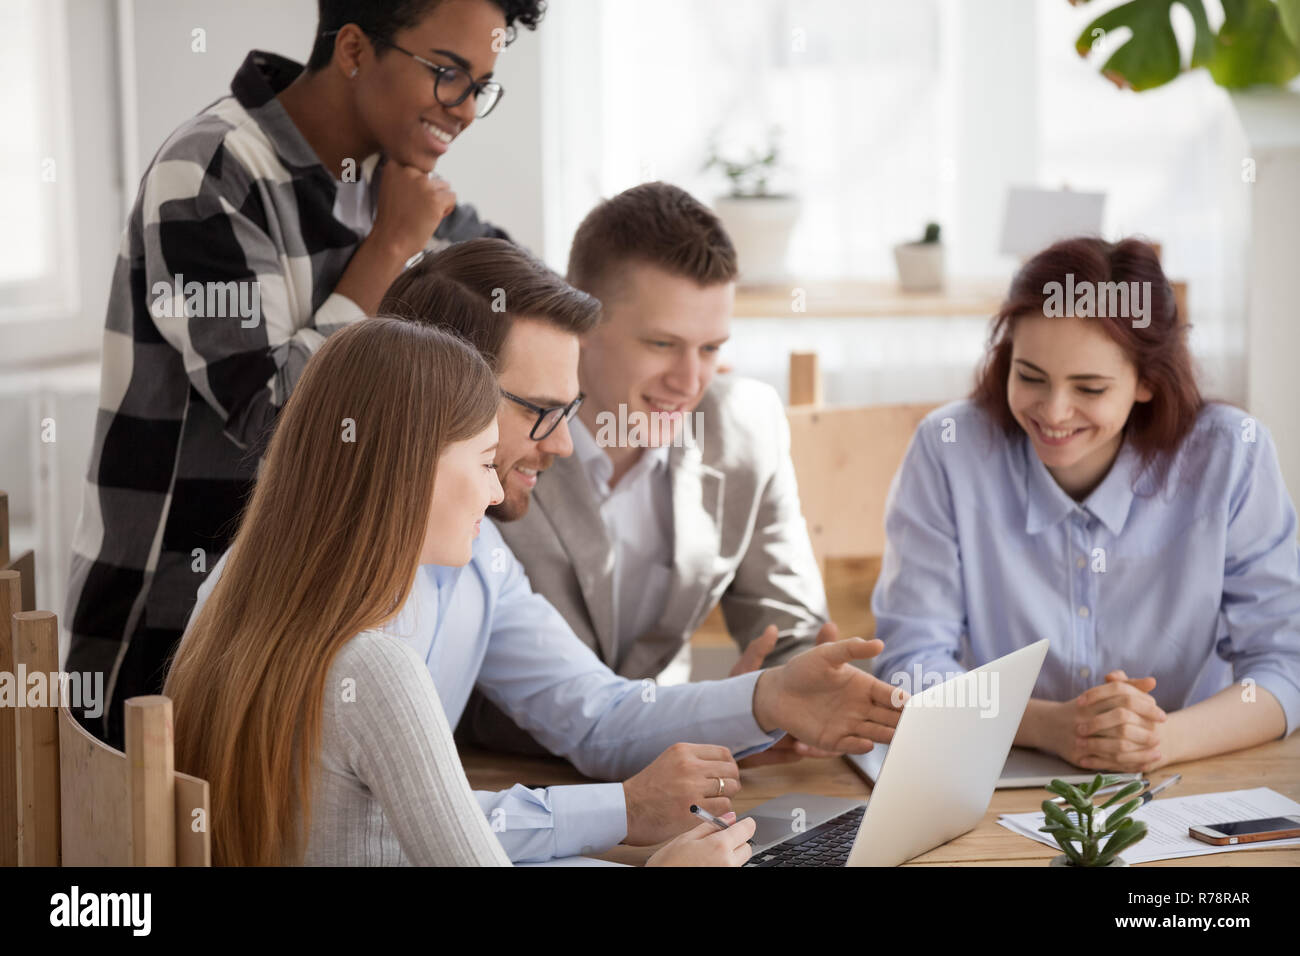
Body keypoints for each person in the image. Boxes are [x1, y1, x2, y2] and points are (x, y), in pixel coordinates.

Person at [192, 241, 905, 863]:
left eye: (570, 410)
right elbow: (397, 834)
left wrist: (768, 696)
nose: (564, 444)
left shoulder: (477, 559)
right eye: (540, 411)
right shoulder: (335, 626)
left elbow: (595, 714)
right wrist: (621, 817)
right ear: (431, 393)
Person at [66, 0, 542, 748]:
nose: (466, 110)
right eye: (448, 75)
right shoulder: (212, 171)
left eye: (481, 85)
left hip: (306, 630)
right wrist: (387, 249)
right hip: (168, 639)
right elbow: (270, 417)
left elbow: (525, 303)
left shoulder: (399, 180)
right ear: (353, 49)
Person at [166, 316, 754, 866]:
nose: (495, 495)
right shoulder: (373, 668)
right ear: (413, 470)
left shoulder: (235, 611)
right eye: (483, 463)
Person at [872, 237, 1300, 773]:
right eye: (1030, 377)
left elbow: (1285, 663)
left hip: (1188, 783)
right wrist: (1049, 727)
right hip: (994, 779)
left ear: (1147, 380)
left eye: (1090, 388)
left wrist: (1159, 740)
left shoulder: (1231, 454)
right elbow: (910, 666)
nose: (1054, 412)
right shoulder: (948, 448)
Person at [456, 184, 839, 765]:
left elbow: (791, 635)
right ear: (578, 318)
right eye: (662, 343)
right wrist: (730, 710)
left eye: (710, 348)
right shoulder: (494, 439)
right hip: (500, 777)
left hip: (678, 773)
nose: (690, 382)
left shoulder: (744, 425)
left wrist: (783, 697)